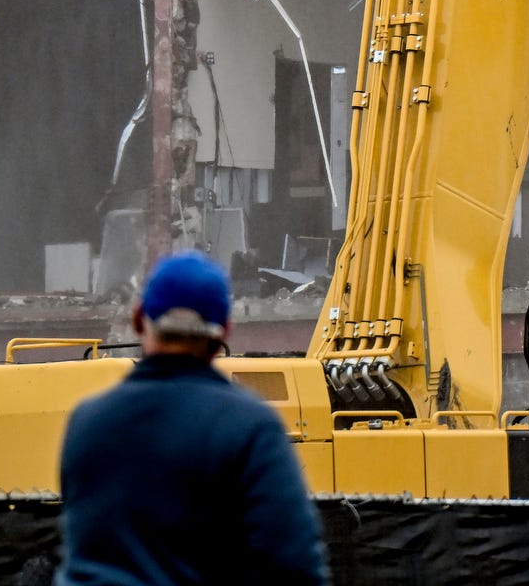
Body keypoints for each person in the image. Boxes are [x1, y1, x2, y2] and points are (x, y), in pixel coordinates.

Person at [56, 251, 329, 586]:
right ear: (223, 333)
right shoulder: (251, 427)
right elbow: (294, 564)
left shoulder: (87, 421)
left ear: (140, 319)